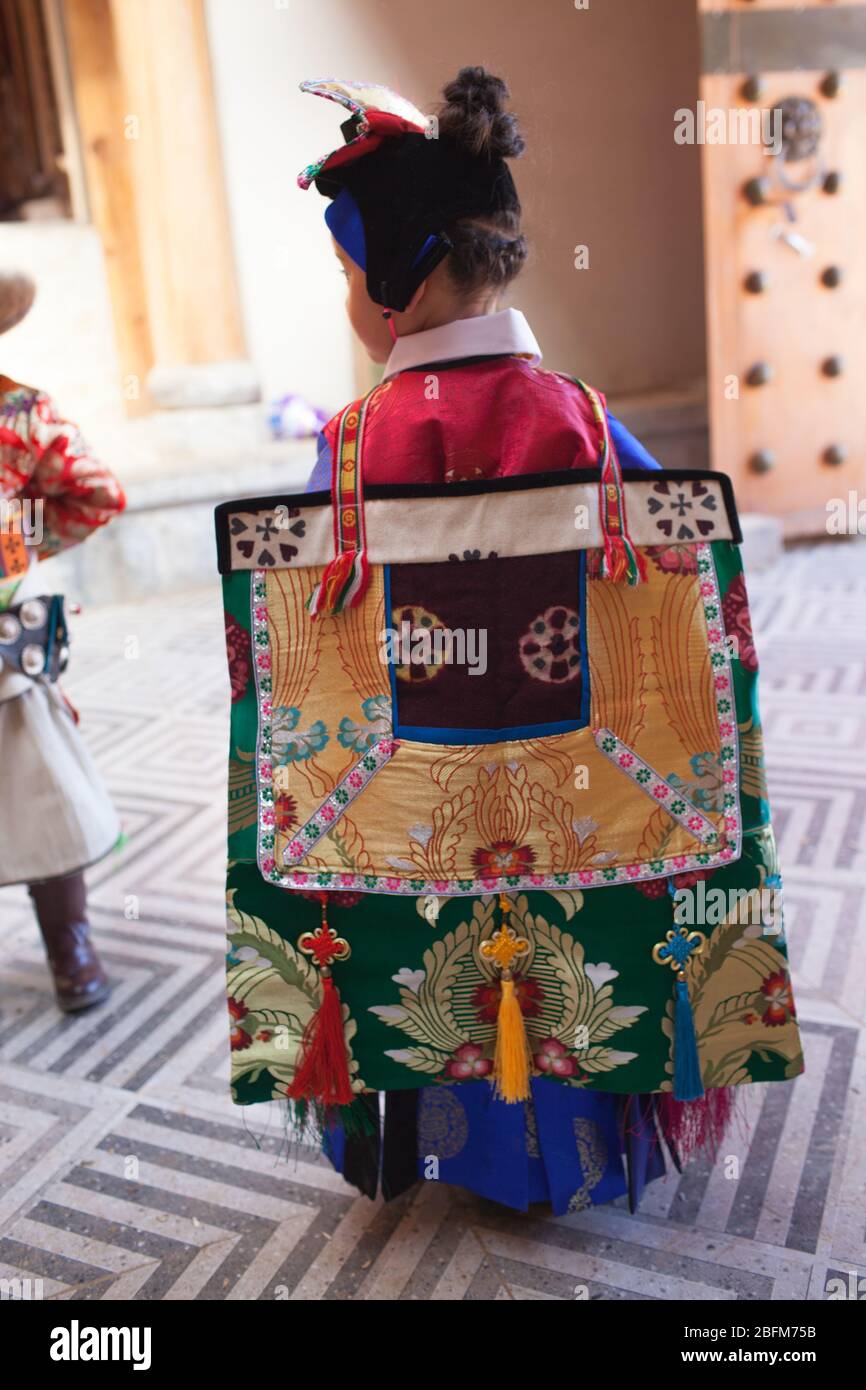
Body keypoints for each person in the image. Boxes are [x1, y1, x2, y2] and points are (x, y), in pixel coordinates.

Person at [302, 70, 683, 1213]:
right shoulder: (578, 413)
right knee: (563, 938)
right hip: (577, 790)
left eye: (343, 273)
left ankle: (431, 1146)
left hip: (409, 801)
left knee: (434, 948)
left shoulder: (355, 445)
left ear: (396, 280)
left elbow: (306, 632)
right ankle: (570, 1147)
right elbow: (677, 571)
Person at [0, 269, 126, 1012]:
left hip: (7, 634)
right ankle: (70, 953)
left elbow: (96, 492)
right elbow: (97, 494)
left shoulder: (17, 412)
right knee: (33, 772)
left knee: (40, 775)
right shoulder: (17, 410)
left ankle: (70, 947)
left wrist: (18, 545)